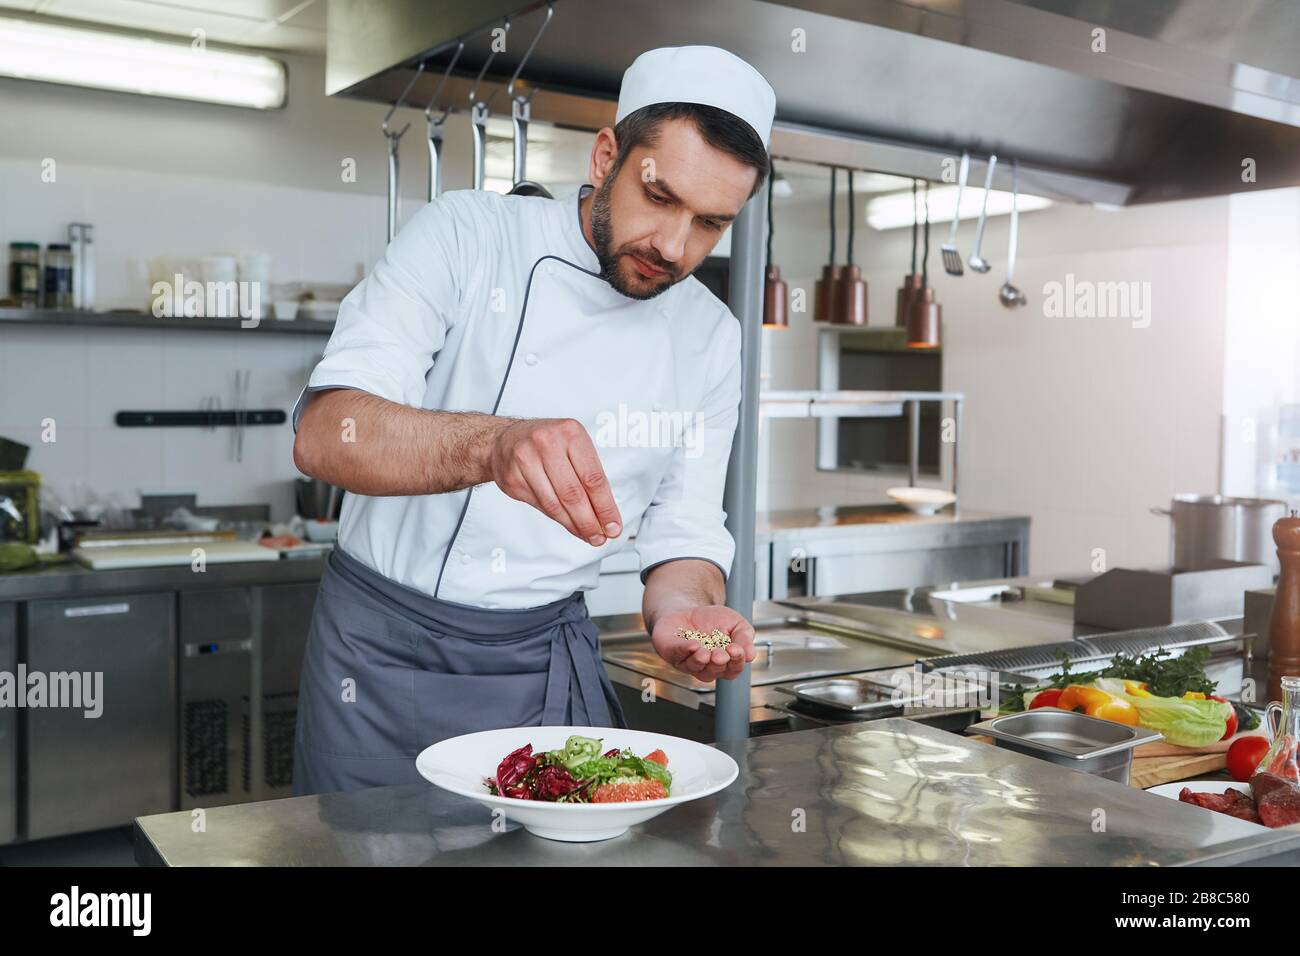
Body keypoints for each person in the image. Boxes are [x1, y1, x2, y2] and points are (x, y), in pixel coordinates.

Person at [291, 46, 776, 794]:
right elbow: (328, 434)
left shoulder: (710, 335)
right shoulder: (468, 235)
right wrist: (496, 445)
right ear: (607, 154)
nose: (675, 248)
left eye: (711, 224)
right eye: (659, 197)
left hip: (537, 664)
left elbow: (683, 534)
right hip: (377, 659)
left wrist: (682, 610)